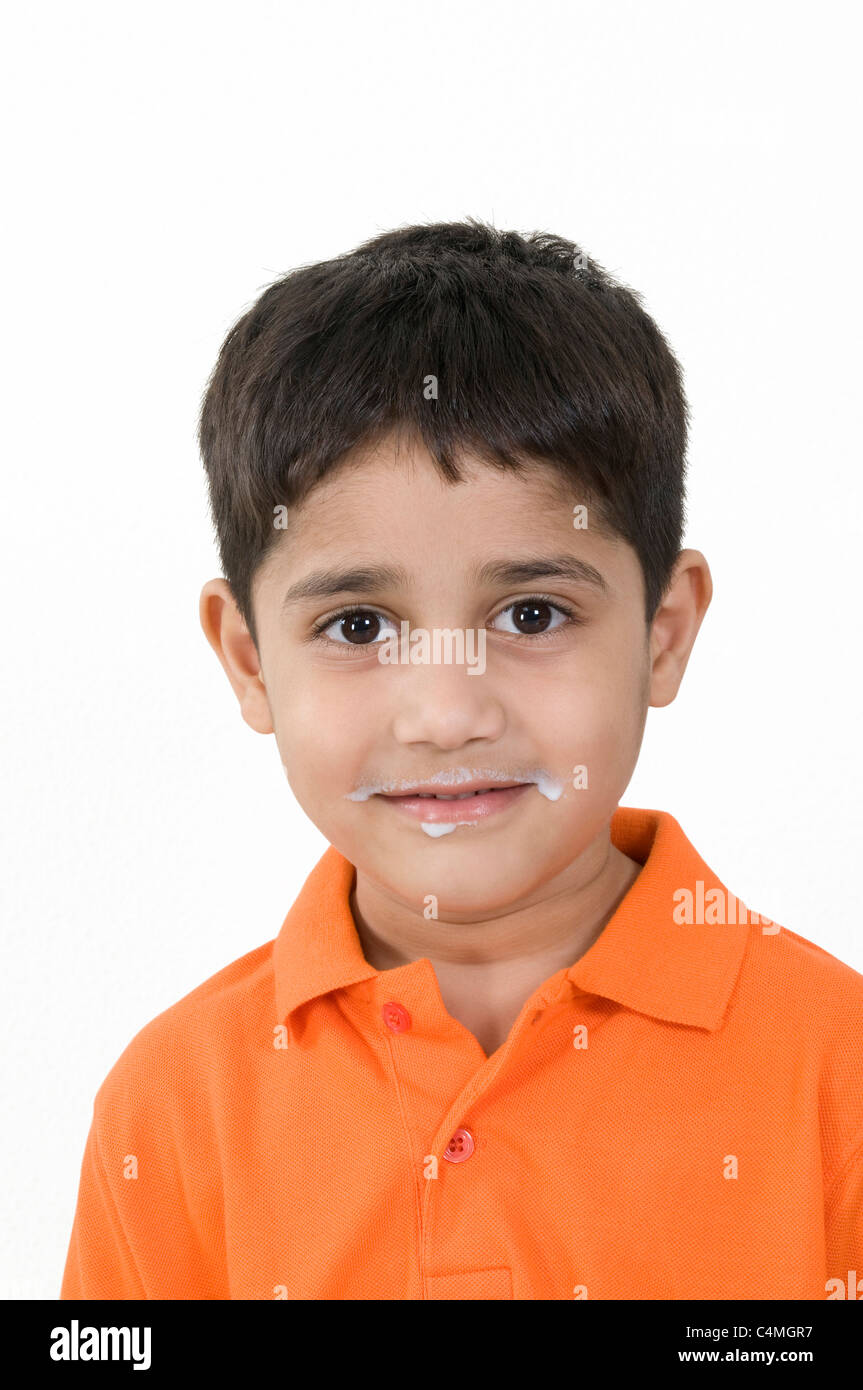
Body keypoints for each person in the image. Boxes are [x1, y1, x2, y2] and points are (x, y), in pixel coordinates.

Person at [60, 220, 863, 1300]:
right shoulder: (171, 1103)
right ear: (248, 661)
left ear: (662, 631)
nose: (445, 712)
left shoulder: (835, 1068)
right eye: (356, 626)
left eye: (530, 612)